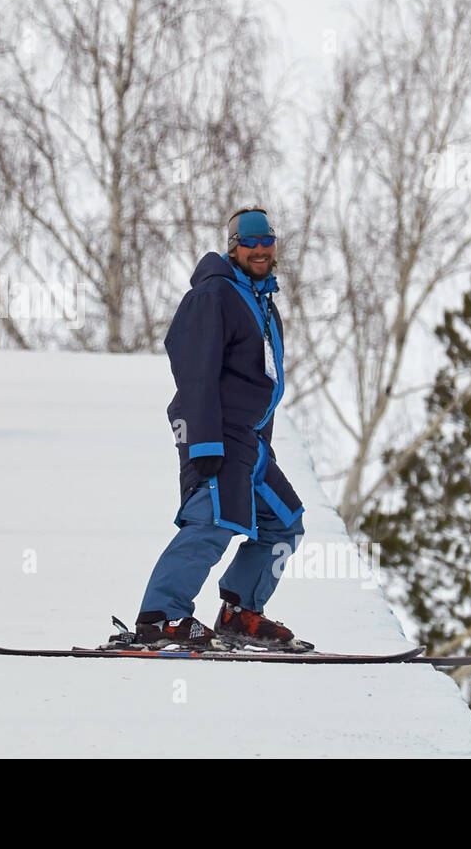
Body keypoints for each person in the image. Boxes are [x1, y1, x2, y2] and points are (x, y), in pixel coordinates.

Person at [130, 207, 311, 652]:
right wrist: (204, 442)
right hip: (218, 433)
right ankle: (161, 618)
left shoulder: (263, 302)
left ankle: (240, 615)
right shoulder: (214, 295)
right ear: (233, 247)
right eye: (249, 242)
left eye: (267, 241)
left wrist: (261, 443)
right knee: (212, 520)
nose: (260, 249)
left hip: (251, 441)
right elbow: (195, 370)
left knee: (284, 522)